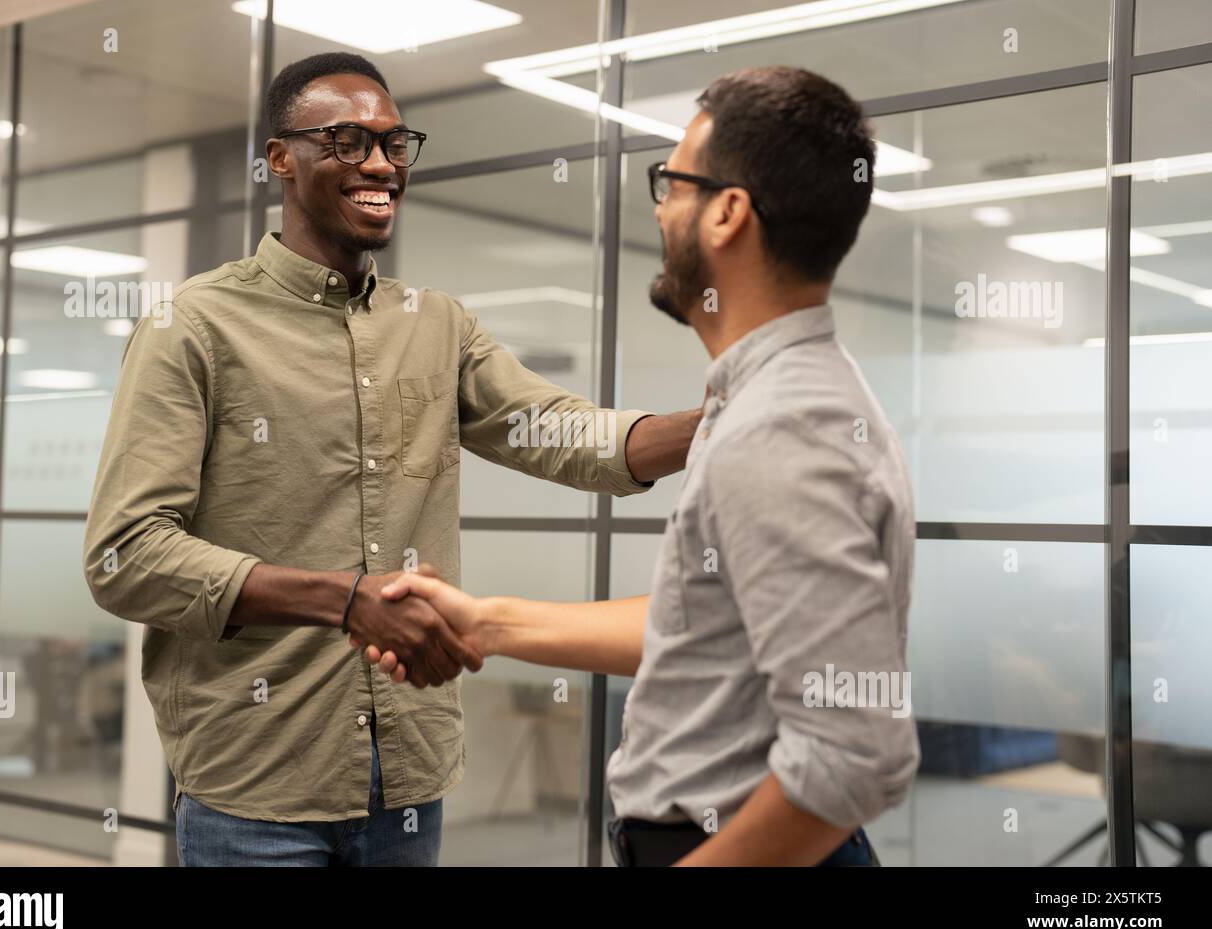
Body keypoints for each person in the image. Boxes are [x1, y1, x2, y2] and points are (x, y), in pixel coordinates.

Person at [82, 52, 702, 866]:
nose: (379, 163)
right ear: (279, 159)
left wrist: (732, 412)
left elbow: (562, 433)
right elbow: (126, 555)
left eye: (393, 143)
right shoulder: (193, 326)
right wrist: (345, 600)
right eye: (345, 140)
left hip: (409, 771)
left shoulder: (437, 325)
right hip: (259, 786)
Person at [366, 66, 920, 866]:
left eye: (673, 182)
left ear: (728, 213)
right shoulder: (769, 402)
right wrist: (489, 623)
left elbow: (856, 757)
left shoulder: (781, 429)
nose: (660, 206)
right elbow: (703, 625)